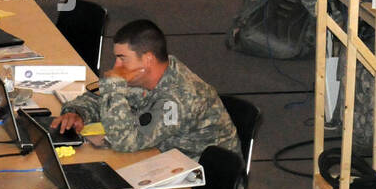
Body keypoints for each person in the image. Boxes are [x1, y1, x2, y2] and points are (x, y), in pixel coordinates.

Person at [54, 20, 239, 159]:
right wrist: (77, 113)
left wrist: (114, 88)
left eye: (122, 58)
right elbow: (96, 97)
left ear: (148, 59)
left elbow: (125, 141)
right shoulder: (148, 72)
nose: (116, 65)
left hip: (197, 177)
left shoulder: (179, 96)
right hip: (160, 157)